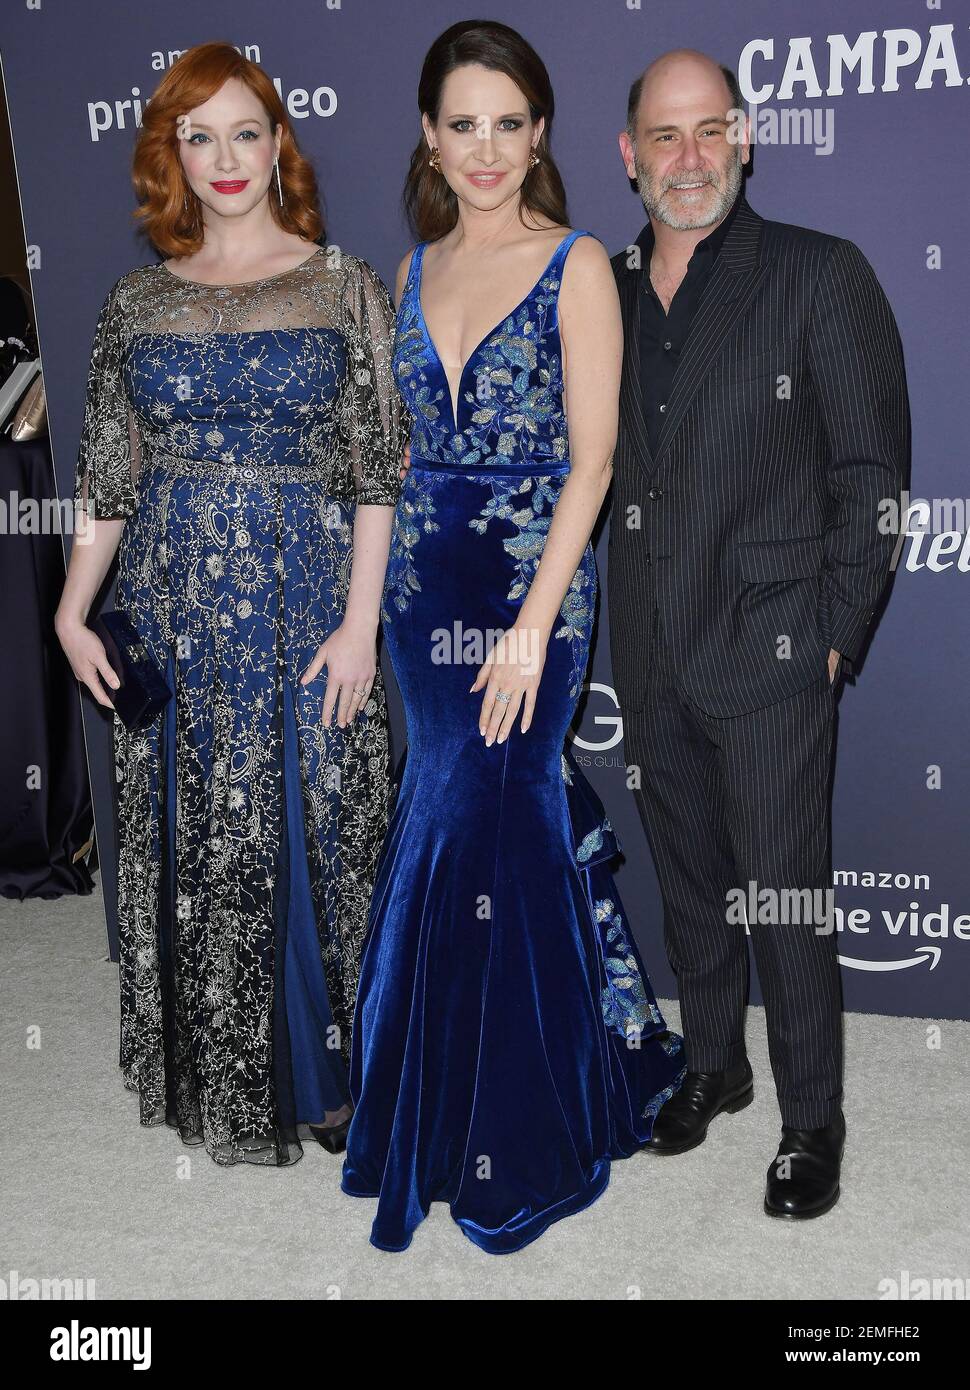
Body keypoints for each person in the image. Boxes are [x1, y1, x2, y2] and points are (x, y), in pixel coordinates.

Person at [340, 20, 685, 1254]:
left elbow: (593, 460)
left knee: (499, 811)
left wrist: (536, 628)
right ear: (430, 138)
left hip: (531, 583)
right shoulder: (403, 271)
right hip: (422, 588)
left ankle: (523, 1123)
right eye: (462, 124)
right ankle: (438, 1104)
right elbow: (388, 463)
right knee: (445, 809)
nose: (486, 149)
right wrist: (359, 611)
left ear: (538, 134)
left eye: (509, 123)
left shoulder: (578, 261)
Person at [55, 42, 406, 1166]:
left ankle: (334, 1070)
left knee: (319, 824)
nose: (223, 158)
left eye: (244, 131)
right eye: (195, 136)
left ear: (277, 143)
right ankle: (220, 1071)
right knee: (196, 830)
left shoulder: (341, 282)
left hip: (309, 598)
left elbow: (375, 469)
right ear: (171, 153)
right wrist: (73, 608)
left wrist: (361, 622)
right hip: (174, 601)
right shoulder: (134, 300)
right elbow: (111, 469)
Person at [609, 49, 909, 1216]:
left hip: (777, 641)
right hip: (648, 637)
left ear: (744, 139)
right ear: (628, 156)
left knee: (782, 891)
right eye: (663, 137)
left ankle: (810, 1119)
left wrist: (837, 627)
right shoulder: (604, 286)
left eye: (708, 132)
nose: (687, 158)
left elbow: (872, 470)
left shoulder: (817, 274)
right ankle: (713, 1068)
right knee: (689, 882)